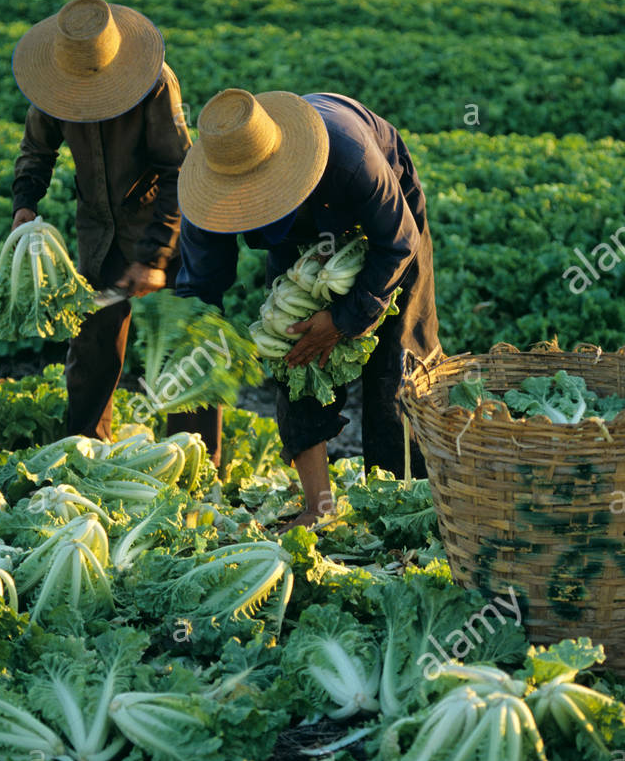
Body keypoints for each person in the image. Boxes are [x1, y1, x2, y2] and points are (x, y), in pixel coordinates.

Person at [176, 88, 441, 526]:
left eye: (266, 200)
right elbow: (201, 289)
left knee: (396, 365)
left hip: (381, 231)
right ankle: (319, 507)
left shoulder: (352, 158)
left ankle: (404, 506)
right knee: (294, 352)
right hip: (300, 239)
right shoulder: (209, 197)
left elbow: (399, 243)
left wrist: (341, 320)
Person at [8, 0, 218, 455]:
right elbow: (37, 149)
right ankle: (85, 450)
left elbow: (178, 170)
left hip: (165, 221)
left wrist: (154, 255)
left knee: (184, 341)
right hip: (98, 227)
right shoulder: (53, 85)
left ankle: (197, 458)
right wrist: (25, 202)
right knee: (92, 344)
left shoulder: (154, 84)